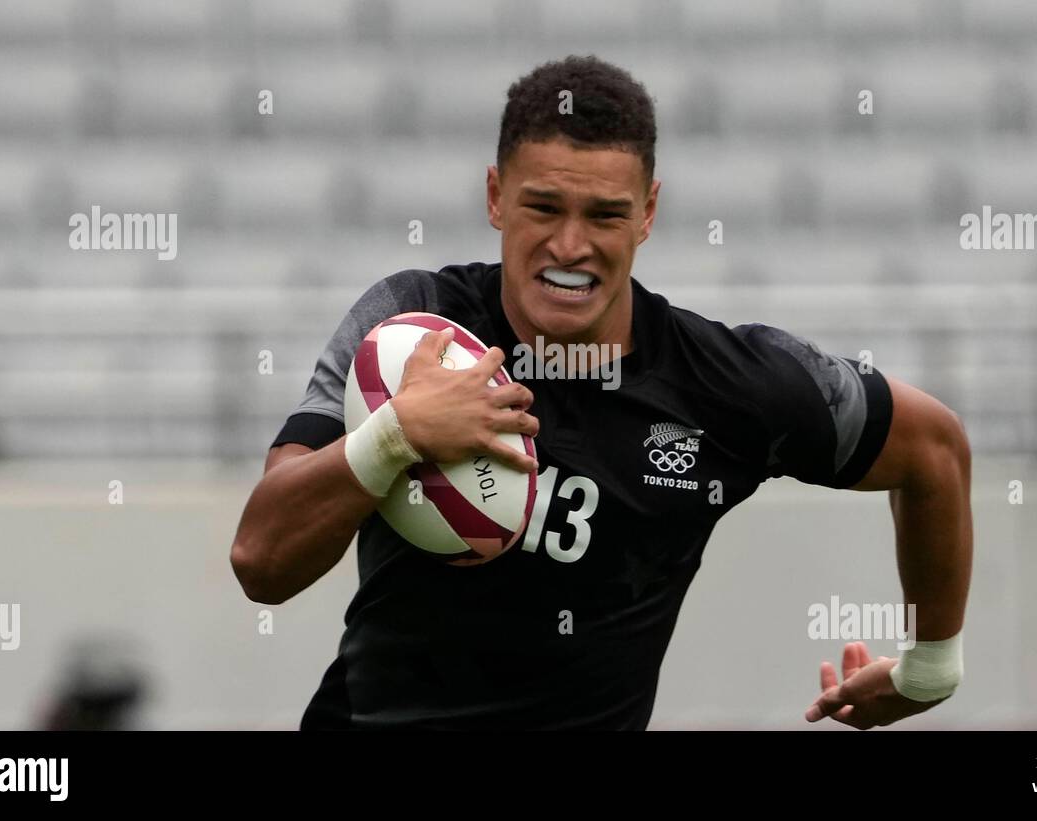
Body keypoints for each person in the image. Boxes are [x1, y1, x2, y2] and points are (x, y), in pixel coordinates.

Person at [229, 55, 973, 730]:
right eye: (543, 207)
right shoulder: (410, 338)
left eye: (606, 215)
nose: (570, 246)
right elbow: (261, 560)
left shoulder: (725, 385)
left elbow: (932, 448)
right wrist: (396, 434)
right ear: (495, 196)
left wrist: (929, 668)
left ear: (647, 212)